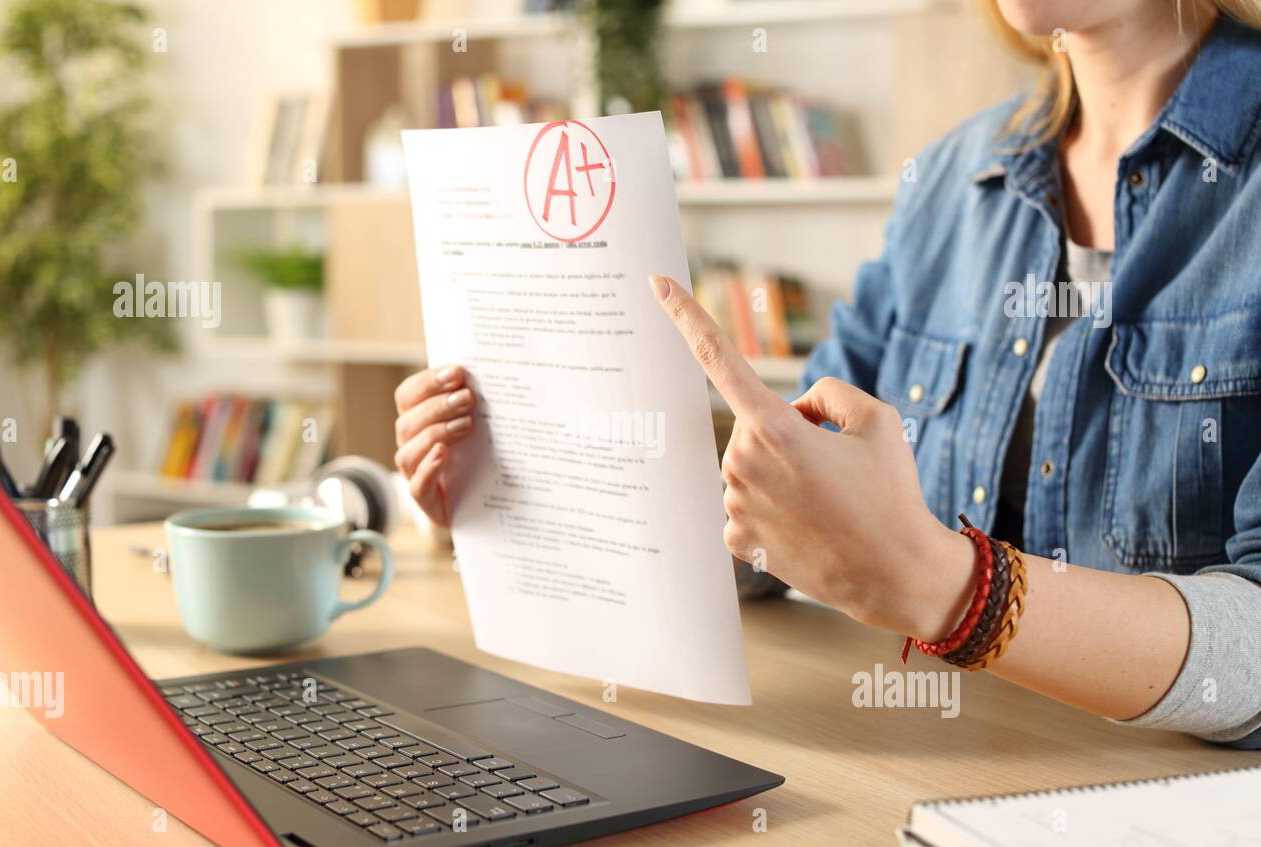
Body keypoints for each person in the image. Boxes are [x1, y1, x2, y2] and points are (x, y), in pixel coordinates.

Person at [393, 0, 1261, 747]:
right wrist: (524, 502)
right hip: (945, 771)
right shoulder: (953, 180)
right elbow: (789, 511)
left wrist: (949, 588)